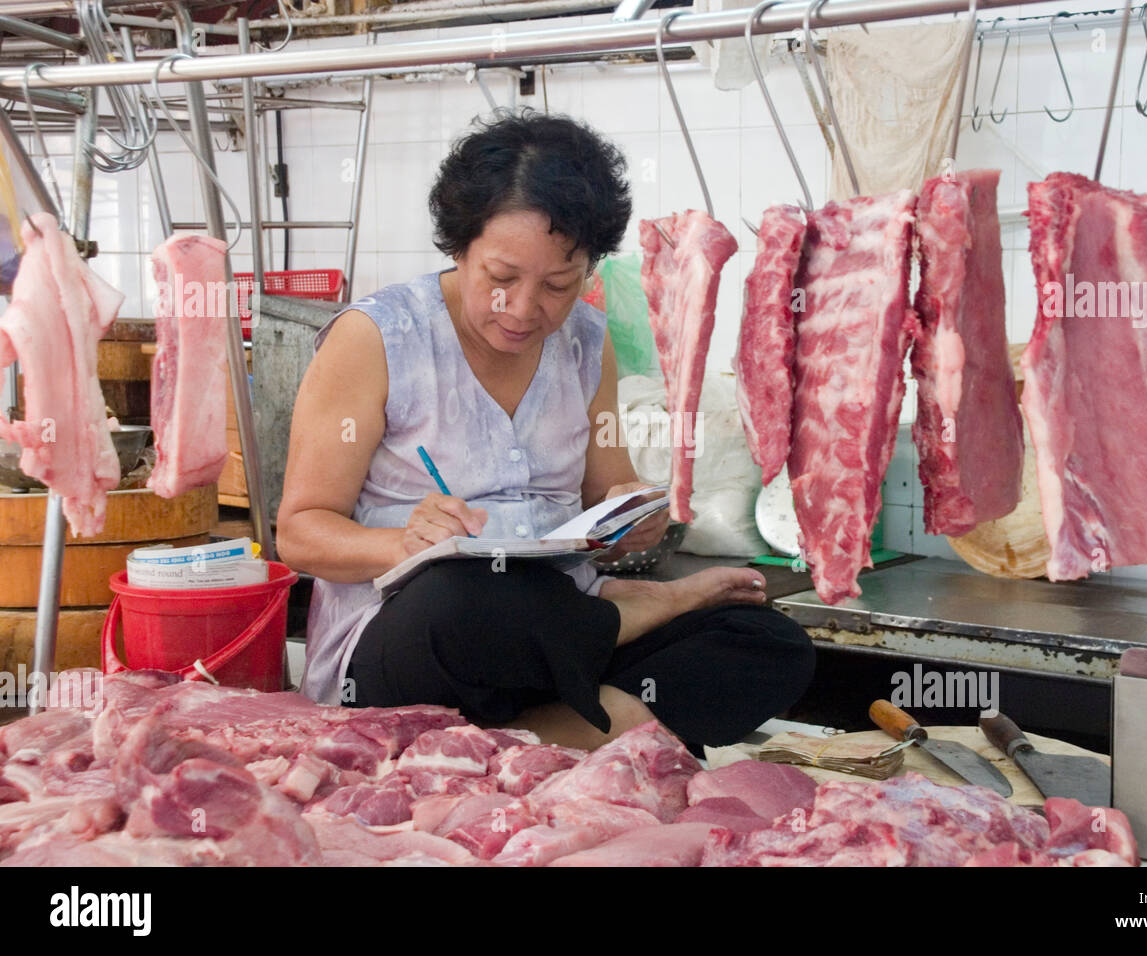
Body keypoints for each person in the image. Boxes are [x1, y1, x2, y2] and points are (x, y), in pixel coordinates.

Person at [277, 109, 815, 753]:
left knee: (767, 641)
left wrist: (631, 513)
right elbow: (300, 531)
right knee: (470, 597)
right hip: (424, 640)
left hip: (557, 626)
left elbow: (605, 493)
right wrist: (404, 545)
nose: (526, 309)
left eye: (559, 285)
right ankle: (621, 663)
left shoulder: (587, 342)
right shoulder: (377, 337)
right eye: (501, 279)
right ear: (458, 246)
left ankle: (524, 736)